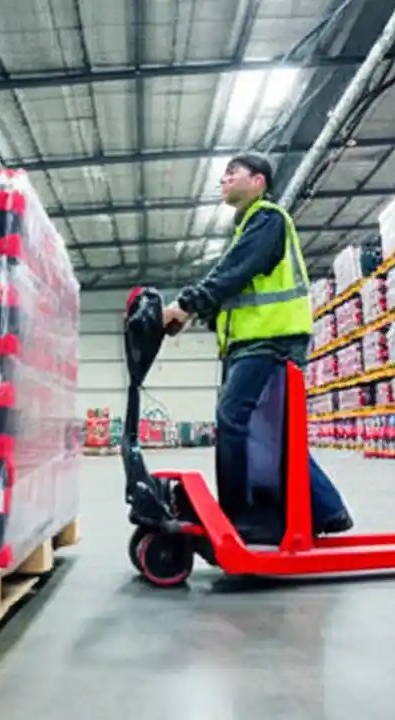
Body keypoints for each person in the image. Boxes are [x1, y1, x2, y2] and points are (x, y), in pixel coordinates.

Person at [162, 153, 353, 545]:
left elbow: (235, 273)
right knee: (274, 434)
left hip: (271, 341)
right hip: (253, 344)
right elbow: (228, 282)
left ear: (260, 180)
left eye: (233, 173)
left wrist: (185, 304)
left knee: (233, 419)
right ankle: (328, 510)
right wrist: (193, 313)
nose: (224, 179)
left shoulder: (268, 219)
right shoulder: (249, 227)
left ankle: (242, 517)